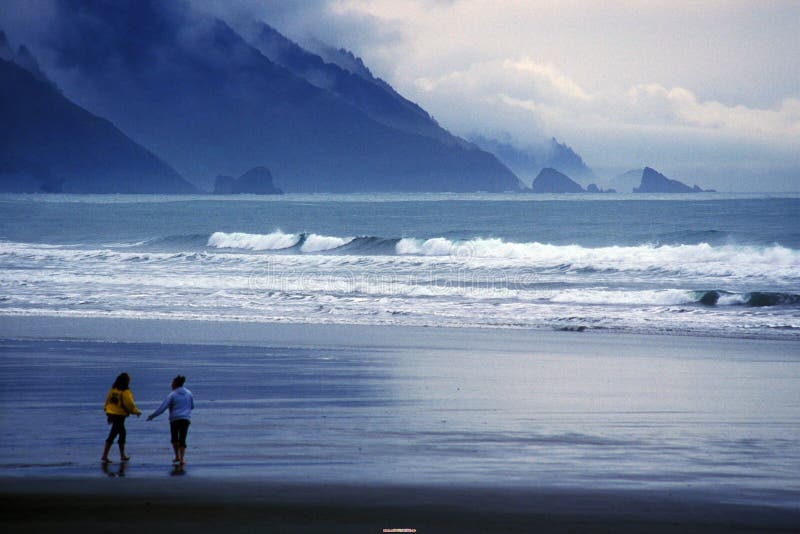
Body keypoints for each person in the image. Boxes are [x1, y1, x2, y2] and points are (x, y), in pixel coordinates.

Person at [147, 375, 195, 465]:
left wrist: (153, 415)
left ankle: (176, 456)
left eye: (172, 383)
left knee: (174, 438)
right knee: (183, 438)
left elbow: (163, 407)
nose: (171, 385)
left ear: (175, 384)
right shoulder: (189, 393)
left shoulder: (172, 394)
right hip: (185, 419)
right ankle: (182, 459)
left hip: (175, 419)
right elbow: (192, 406)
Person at [101, 372, 141, 463]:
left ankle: (121, 455)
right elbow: (129, 404)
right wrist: (136, 412)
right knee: (114, 434)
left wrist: (106, 410)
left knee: (121, 433)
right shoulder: (125, 392)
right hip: (119, 415)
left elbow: (107, 400)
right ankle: (105, 455)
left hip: (111, 413)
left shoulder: (113, 390)